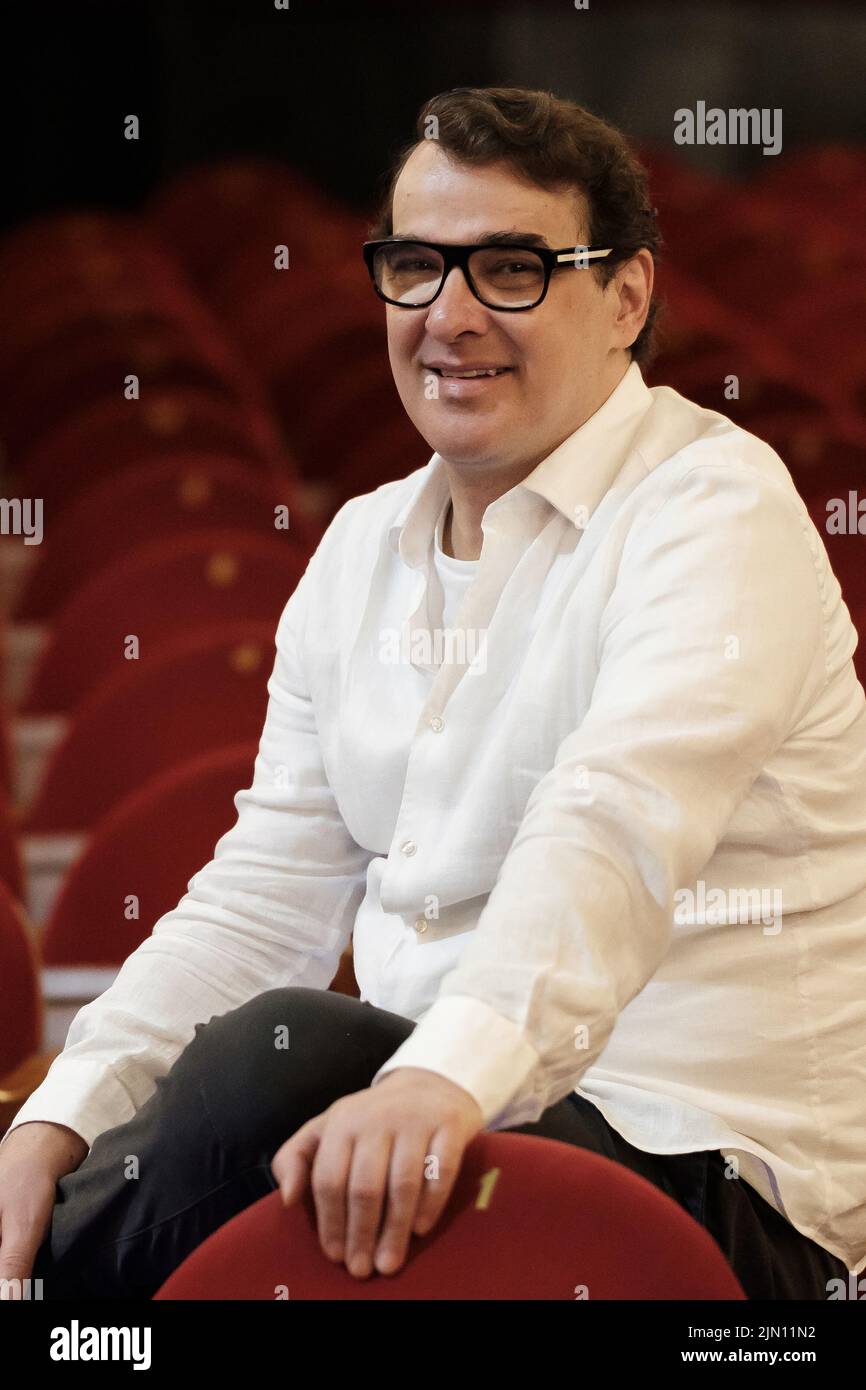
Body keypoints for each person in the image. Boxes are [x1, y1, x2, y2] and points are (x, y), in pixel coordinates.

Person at [1, 86, 864, 1302]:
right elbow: (260, 899)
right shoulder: (359, 547)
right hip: (431, 1110)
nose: (448, 317)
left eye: (509, 268)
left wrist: (436, 1079)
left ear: (626, 296)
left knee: (289, 1082)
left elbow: (612, 818)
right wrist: (60, 1121)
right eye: (415, 266)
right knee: (261, 1065)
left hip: (709, 1164)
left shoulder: (716, 507)